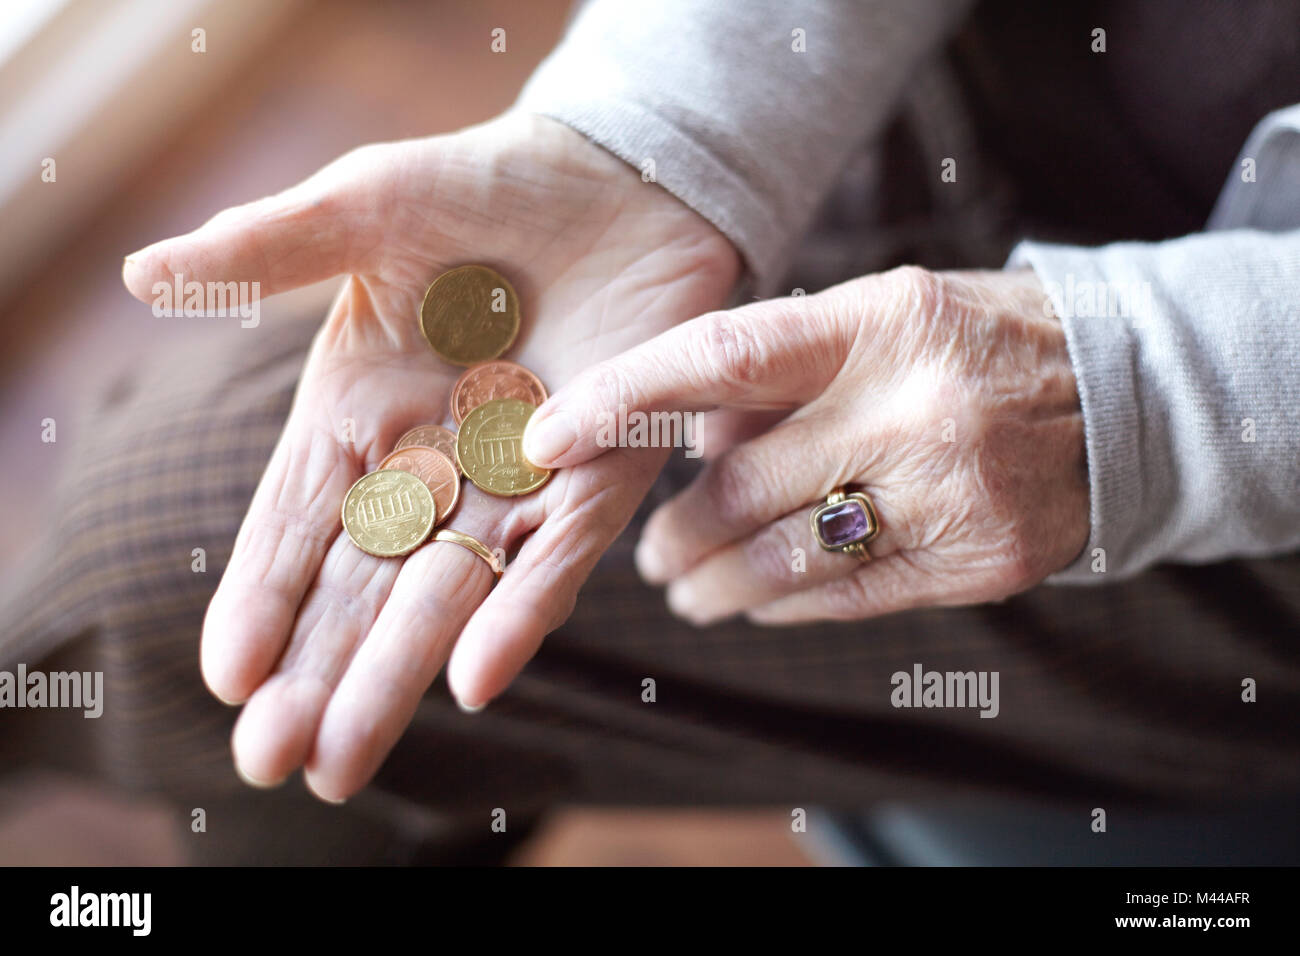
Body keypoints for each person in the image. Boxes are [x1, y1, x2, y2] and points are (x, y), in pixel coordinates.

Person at [4, 1, 1299, 861]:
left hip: (1248, 470)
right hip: (934, 88)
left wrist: (1153, 392)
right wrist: (658, 135)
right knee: (195, 566)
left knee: (163, 559)